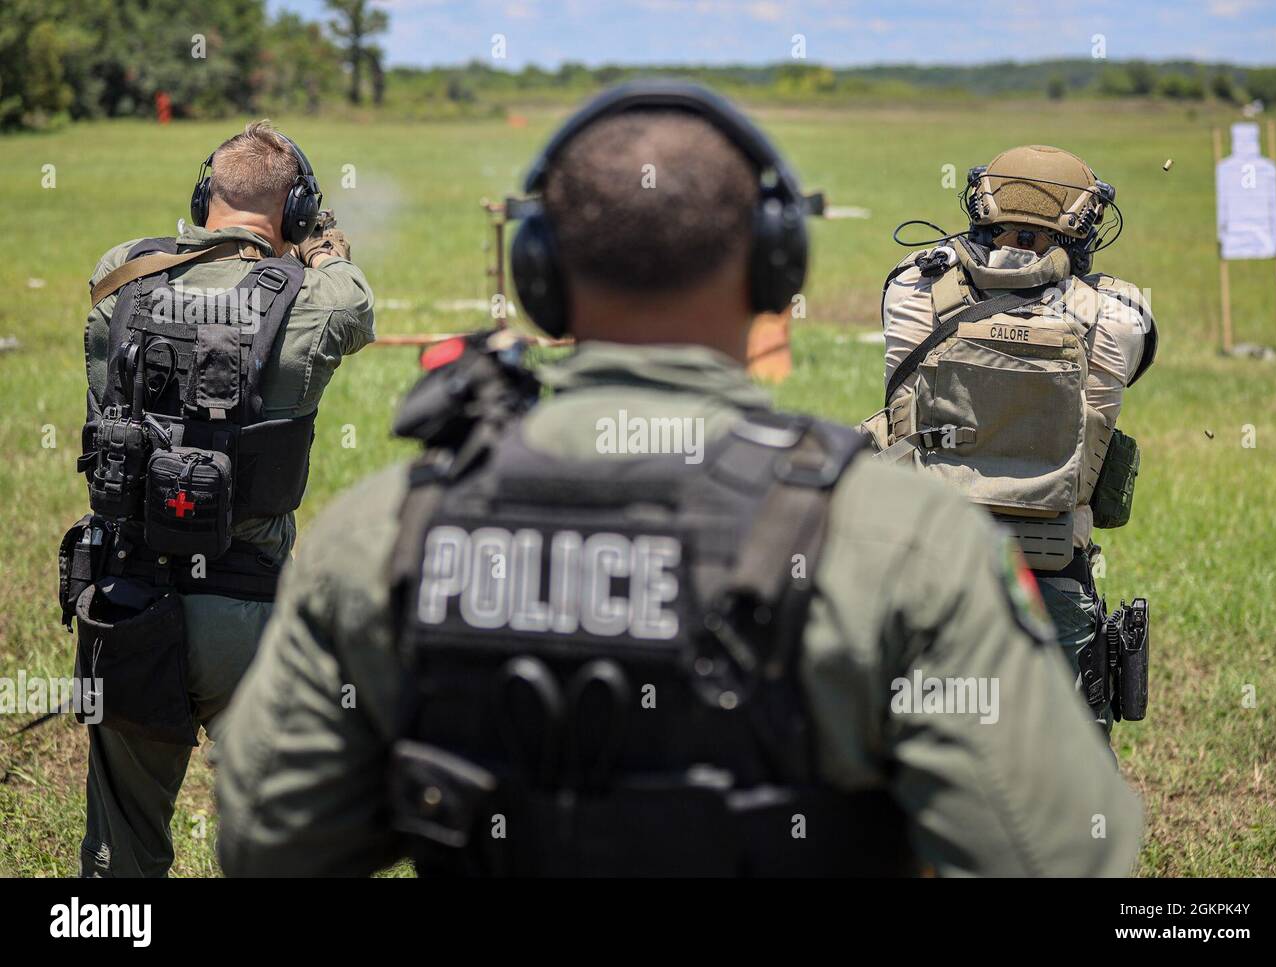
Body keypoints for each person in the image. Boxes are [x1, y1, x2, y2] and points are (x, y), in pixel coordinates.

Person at [216, 84, 1140, 877]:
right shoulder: (903, 541)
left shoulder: (385, 531)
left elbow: (265, 839)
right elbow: (1065, 853)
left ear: (538, 273)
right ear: (779, 269)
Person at [61, 120, 374, 876]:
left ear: (205, 196)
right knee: (280, 844)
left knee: (119, 854)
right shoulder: (314, 298)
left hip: (125, 600)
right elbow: (354, 305)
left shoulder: (122, 277)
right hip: (249, 615)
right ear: (295, 212)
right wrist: (322, 249)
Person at [862, 145, 1157, 735]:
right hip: (1051, 569)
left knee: (918, 751)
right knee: (1067, 762)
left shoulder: (911, 292)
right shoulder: (1119, 314)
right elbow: (1134, 346)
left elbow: (921, 268)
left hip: (925, 563)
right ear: (1082, 223)